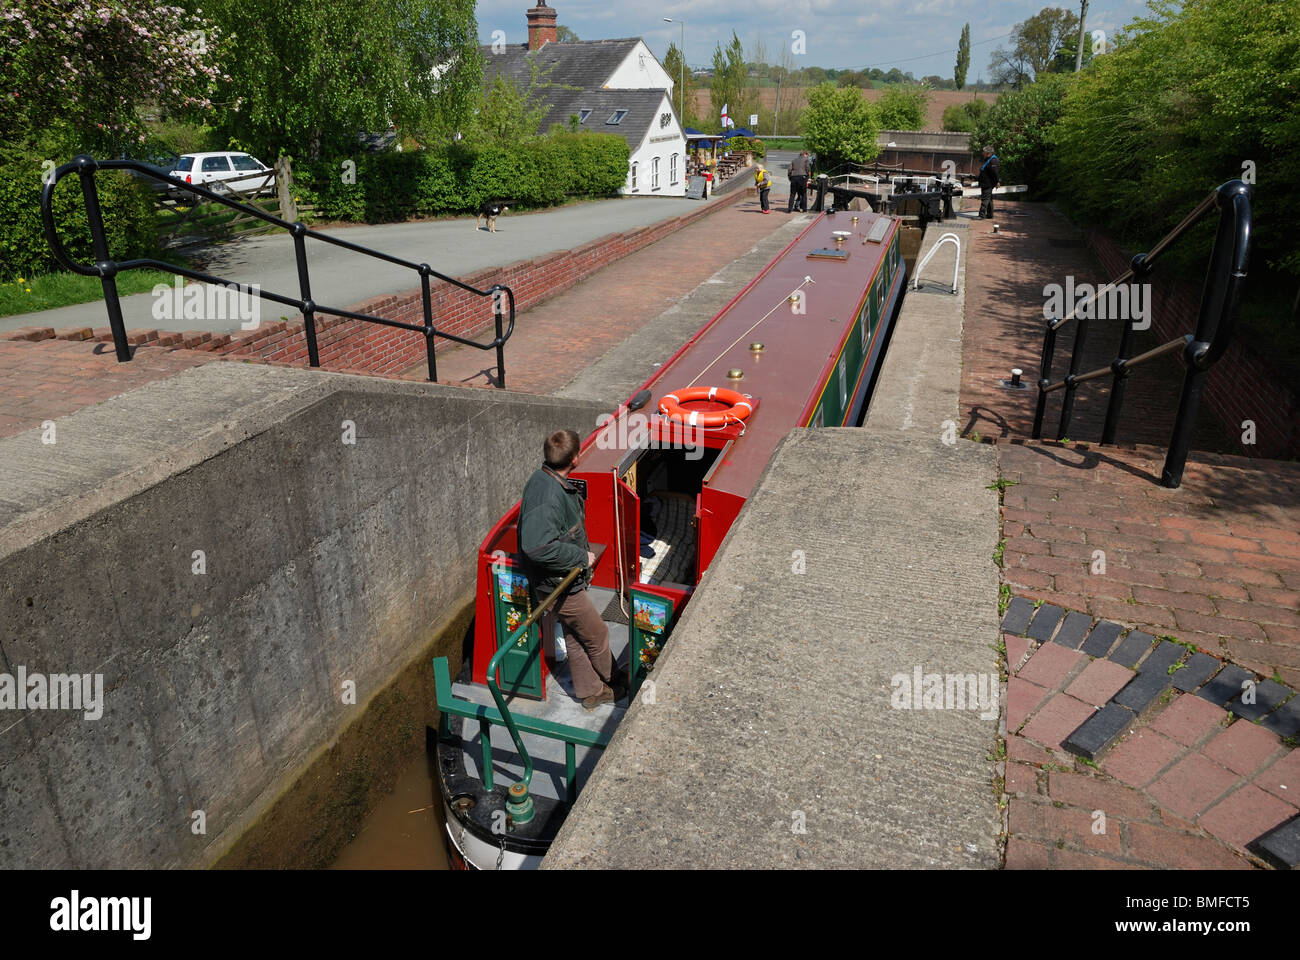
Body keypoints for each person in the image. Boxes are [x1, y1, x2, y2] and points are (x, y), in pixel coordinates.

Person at [518, 429, 622, 710]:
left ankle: (590, 693)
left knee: (575, 635)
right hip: (558, 584)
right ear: (575, 459)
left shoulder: (541, 480)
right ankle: (616, 681)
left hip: (553, 581)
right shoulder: (550, 495)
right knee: (597, 633)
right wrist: (580, 557)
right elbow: (537, 546)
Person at [978, 144, 1000, 219]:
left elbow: (995, 172)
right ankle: (990, 215)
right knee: (989, 198)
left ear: (989, 153)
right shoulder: (988, 159)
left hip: (988, 183)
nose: (982, 154)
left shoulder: (993, 160)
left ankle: (981, 215)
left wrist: (997, 181)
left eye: (984, 152)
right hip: (985, 182)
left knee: (985, 199)